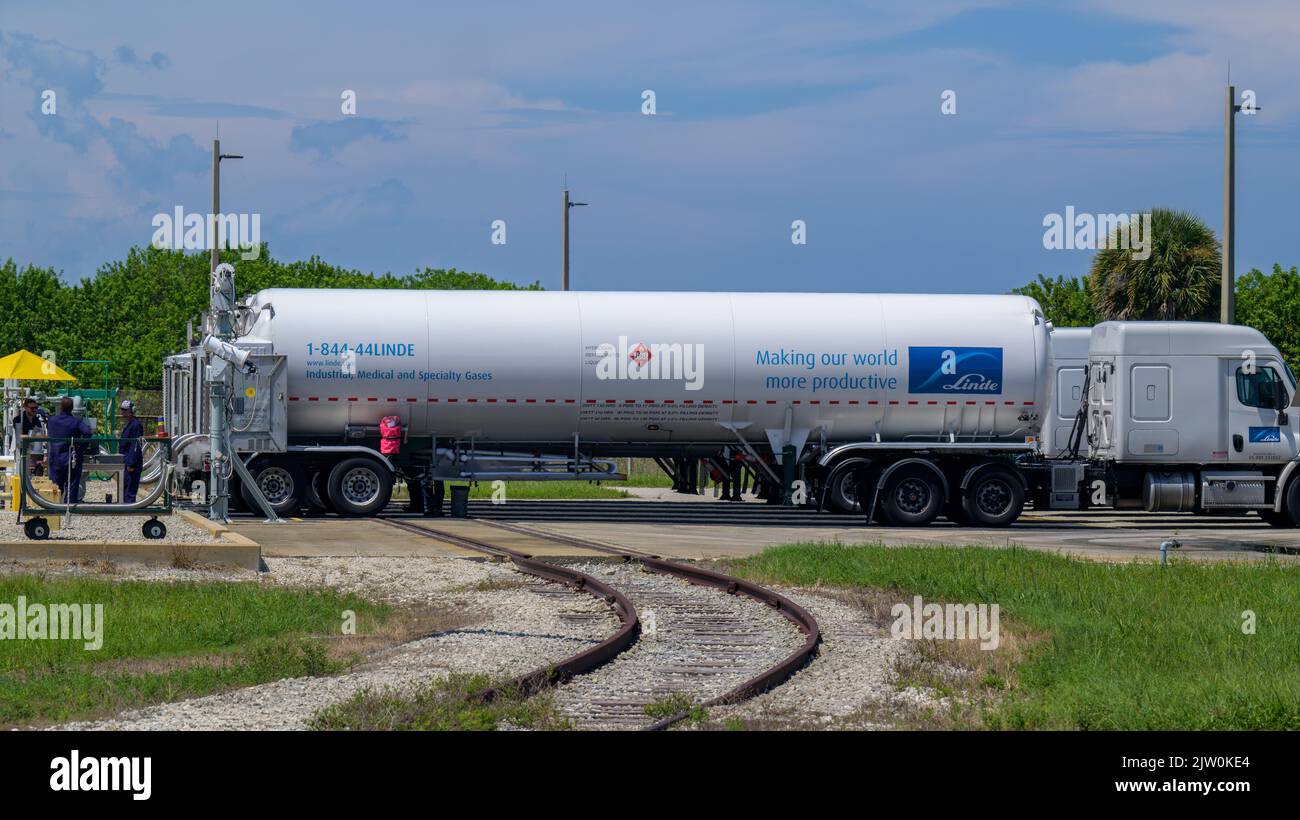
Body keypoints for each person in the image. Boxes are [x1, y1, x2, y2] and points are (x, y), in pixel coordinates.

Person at [47, 397, 92, 503]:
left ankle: (55, 506)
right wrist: (81, 446)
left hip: (56, 457)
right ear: (72, 408)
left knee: (56, 486)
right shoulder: (76, 422)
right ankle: (70, 505)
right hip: (72, 458)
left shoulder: (52, 420)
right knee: (72, 485)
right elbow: (88, 432)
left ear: (61, 407)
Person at [118, 400, 145, 503]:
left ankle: (129, 506)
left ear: (131, 411)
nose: (123, 412)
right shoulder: (130, 424)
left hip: (132, 461)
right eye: (122, 409)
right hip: (127, 459)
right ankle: (126, 506)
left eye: (125, 410)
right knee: (126, 487)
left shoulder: (135, 425)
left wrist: (131, 464)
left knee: (130, 489)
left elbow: (135, 445)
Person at [13, 398, 48, 476]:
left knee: (38, 476)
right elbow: (19, 437)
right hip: (24, 452)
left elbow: (40, 435)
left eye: (36, 408)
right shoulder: (18, 419)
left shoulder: (37, 420)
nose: (34, 410)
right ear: (25, 407)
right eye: (32, 408)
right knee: (25, 476)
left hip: (37, 453)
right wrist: (35, 436)